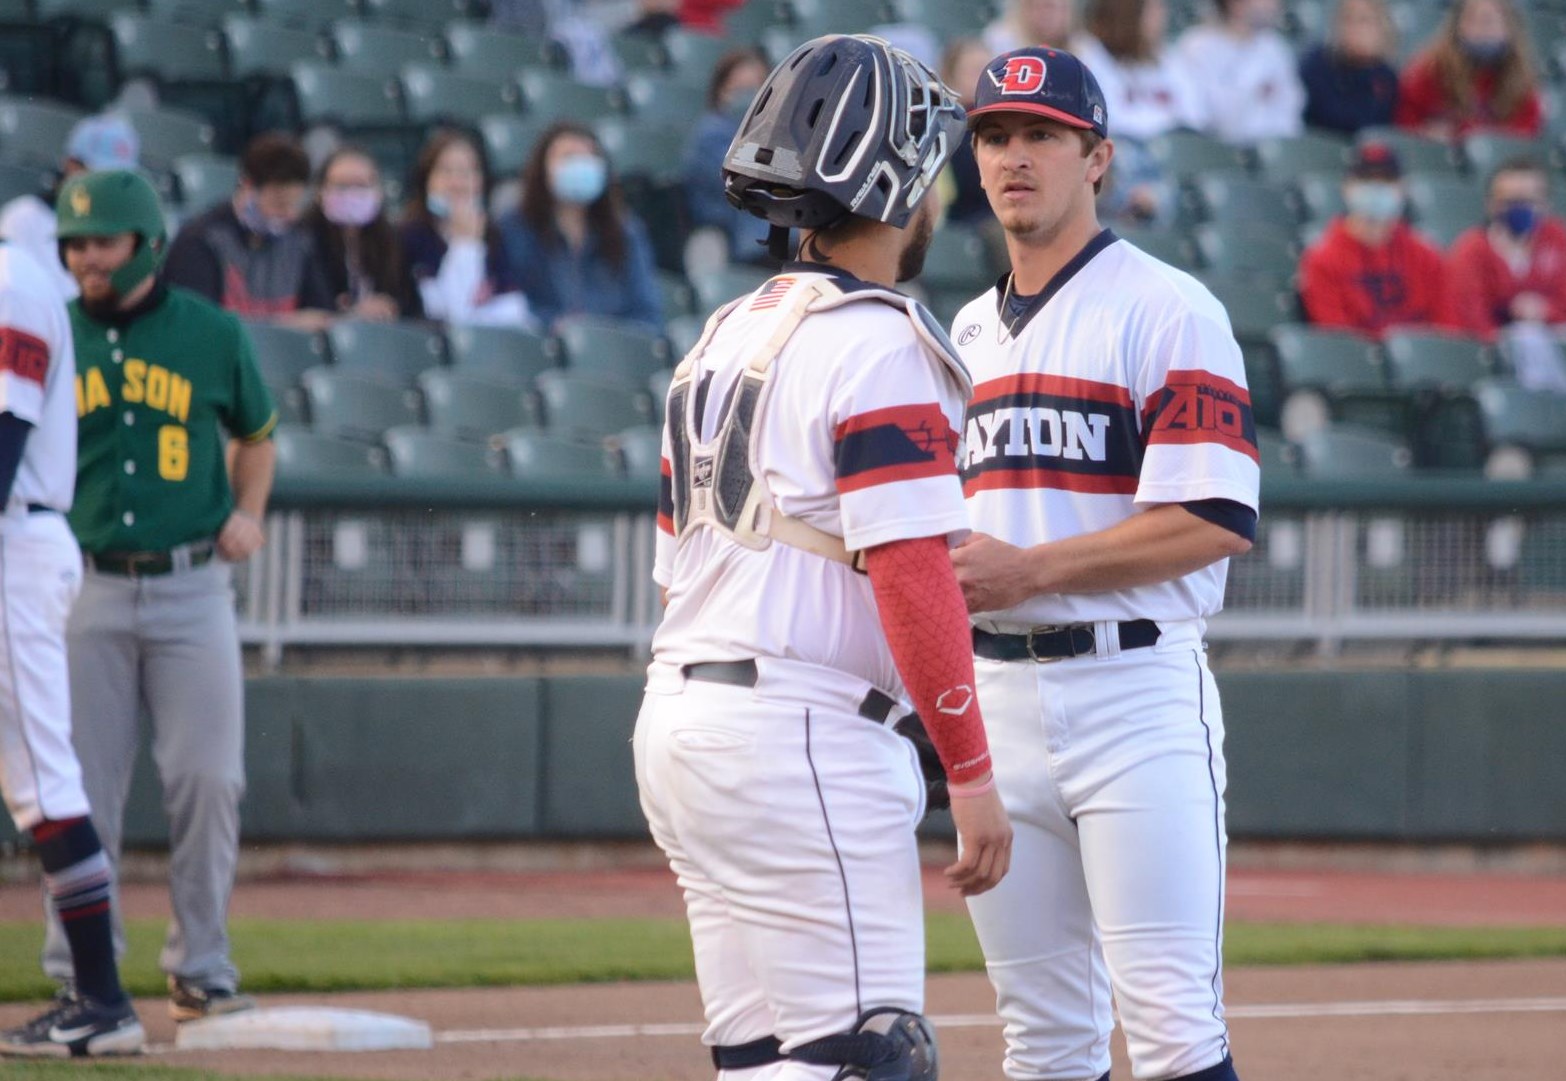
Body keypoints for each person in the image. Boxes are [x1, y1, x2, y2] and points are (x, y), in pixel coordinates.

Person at [637, 33, 1012, 1079]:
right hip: (799, 736)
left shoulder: (720, 330)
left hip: (685, 717)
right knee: (868, 1055)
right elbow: (907, 568)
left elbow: (672, 567)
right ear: (897, 188)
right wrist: (971, 771)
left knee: (764, 1062)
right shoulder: (880, 339)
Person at [949, 46, 1258, 1081]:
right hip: (996, 698)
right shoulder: (963, 332)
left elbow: (1211, 517)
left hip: (1135, 692)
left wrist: (1030, 572)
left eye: (1041, 134)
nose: (1013, 156)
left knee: (1170, 1028)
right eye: (994, 134)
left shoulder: (1167, 308)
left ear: (1097, 159)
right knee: (1041, 1037)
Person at [43, 169, 276, 1026]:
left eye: (101, 240)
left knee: (209, 780)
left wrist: (249, 510)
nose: (86, 257)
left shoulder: (210, 333)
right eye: (75, 243)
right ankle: (81, 974)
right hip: (84, 587)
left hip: (191, 587)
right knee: (81, 793)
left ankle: (201, 965)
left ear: (144, 242)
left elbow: (257, 434)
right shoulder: (51, 332)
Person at [0, 199, 145, 1059]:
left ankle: (100, 999)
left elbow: (4, 439)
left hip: (15, 541)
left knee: (44, 779)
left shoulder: (12, 276)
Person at [498, 122, 666, 330]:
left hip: (612, 356)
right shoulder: (516, 229)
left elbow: (647, 312)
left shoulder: (626, 232)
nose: (581, 164)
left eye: (589, 157)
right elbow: (510, 305)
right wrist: (553, 325)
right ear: (543, 169)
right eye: (568, 157)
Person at [162, 133, 334, 328]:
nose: (288, 215)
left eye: (294, 205)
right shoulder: (201, 241)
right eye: (279, 204)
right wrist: (283, 327)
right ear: (248, 187)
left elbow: (321, 315)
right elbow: (198, 326)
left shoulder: (300, 240)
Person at [1298, 143, 1454, 338]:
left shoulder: (1427, 256)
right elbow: (1338, 343)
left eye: (1387, 179)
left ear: (1402, 189)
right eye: (1366, 179)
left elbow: (1446, 332)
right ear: (1347, 187)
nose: (1377, 187)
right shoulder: (1322, 259)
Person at [399, 131, 532, 328]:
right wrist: (465, 244)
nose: (457, 183)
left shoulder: (495, 235)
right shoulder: (408, 237)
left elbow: (515, 312)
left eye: (467, 172)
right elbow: (450, 317)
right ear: (426, 179)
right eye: (446, 171)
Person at [0, 112, 140, 297]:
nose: (109, 189)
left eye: (118, 180)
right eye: (99, 177)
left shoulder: (126, 231)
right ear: (71, 166)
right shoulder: (24, 219)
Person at [1446, 156, 1566, 341]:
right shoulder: (1472, 248)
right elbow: (1471, 324)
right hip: (1497, 349)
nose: (1520, 208)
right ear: (1491, 205)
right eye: (1509, 201)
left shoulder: (1557, 237)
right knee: (1526, 337)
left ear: (1546, 205)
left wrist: (1543, 311)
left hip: (1547, 337)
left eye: (1529, 200)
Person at [304, 147, 422, 323]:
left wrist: (390, 306)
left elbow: (410, 304)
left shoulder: (394, 242)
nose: (351, 194)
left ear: (378, 191)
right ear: (321, 191)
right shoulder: (306, 240)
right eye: (342, 186)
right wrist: (351, 312)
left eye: (361, 185)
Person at [1394, 0, 1542, 140]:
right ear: (1457, 26)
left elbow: (1522, 139)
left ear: (1510, 28)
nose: (1480, 30)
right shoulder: (1430, 70)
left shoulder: (1522, 83)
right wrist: (1424, 135)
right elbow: (1405, 126)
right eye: (1471, 20)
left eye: (1488, 21)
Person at [680, 47, 774, 265]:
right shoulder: (710, 135)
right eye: (740, 89)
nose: (749, 98)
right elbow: (748, 177)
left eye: (756, 89)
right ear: (720, 92)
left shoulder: (779, 130)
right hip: (739, 241)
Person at [1175, 0, 1307, 145]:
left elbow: (1292, 114)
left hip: (1279, 154)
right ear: (1236, 4)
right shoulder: (1197, 47)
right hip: (1219, 154)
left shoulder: (1275, 46)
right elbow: (1201, 119)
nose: (1274, 4)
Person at [1075, 0, 1207, 143]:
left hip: (1174, 154)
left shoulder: (1171, 60)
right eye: (1152, 9)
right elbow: (1109, 121)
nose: (1161, 16)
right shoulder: (1092, 55)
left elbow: (1195, 120)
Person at [1299, 0, 1401, 137]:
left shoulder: (1387, 78)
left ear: (1381, 26)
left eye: (1363, 20)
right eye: (1347, 19)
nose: (1354, 29)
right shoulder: (1316, 65)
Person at [937, 37, 997, 228]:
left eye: (992, 72)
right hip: (966, 224)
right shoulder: (943, 128)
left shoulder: (1007, 122)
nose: (985, 80)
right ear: (951, 80)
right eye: (975, 71)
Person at [984, 0, 1076, 54]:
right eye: (1038, 7)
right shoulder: (999, 40)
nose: (1046, 15)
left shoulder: (1083, 49)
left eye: (1051, 7)